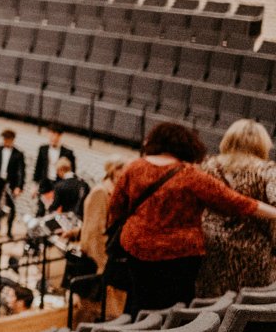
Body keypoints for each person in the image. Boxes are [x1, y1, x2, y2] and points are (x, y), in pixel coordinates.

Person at [108, 122, 276, 311]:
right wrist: (272, 212)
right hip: (181, 254)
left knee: (138, 300)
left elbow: (115, 206)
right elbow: (235, 202)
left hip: (137, 247)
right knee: (175, 306)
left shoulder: (135, 167)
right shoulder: (191, 175)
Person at [195, 119, 276, 296]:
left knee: (208, 303)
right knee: (246, 302)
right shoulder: (266, 170)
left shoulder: (208, 166)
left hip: (211, 245)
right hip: (253, 249)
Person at [0, 129, 26, 207]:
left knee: (9, 204)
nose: (5, 141)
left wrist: (19, 186)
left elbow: (21, 171)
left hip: (10, 181)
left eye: (7, 139)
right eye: (4, 139)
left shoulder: (18, 154)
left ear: (12, 140)